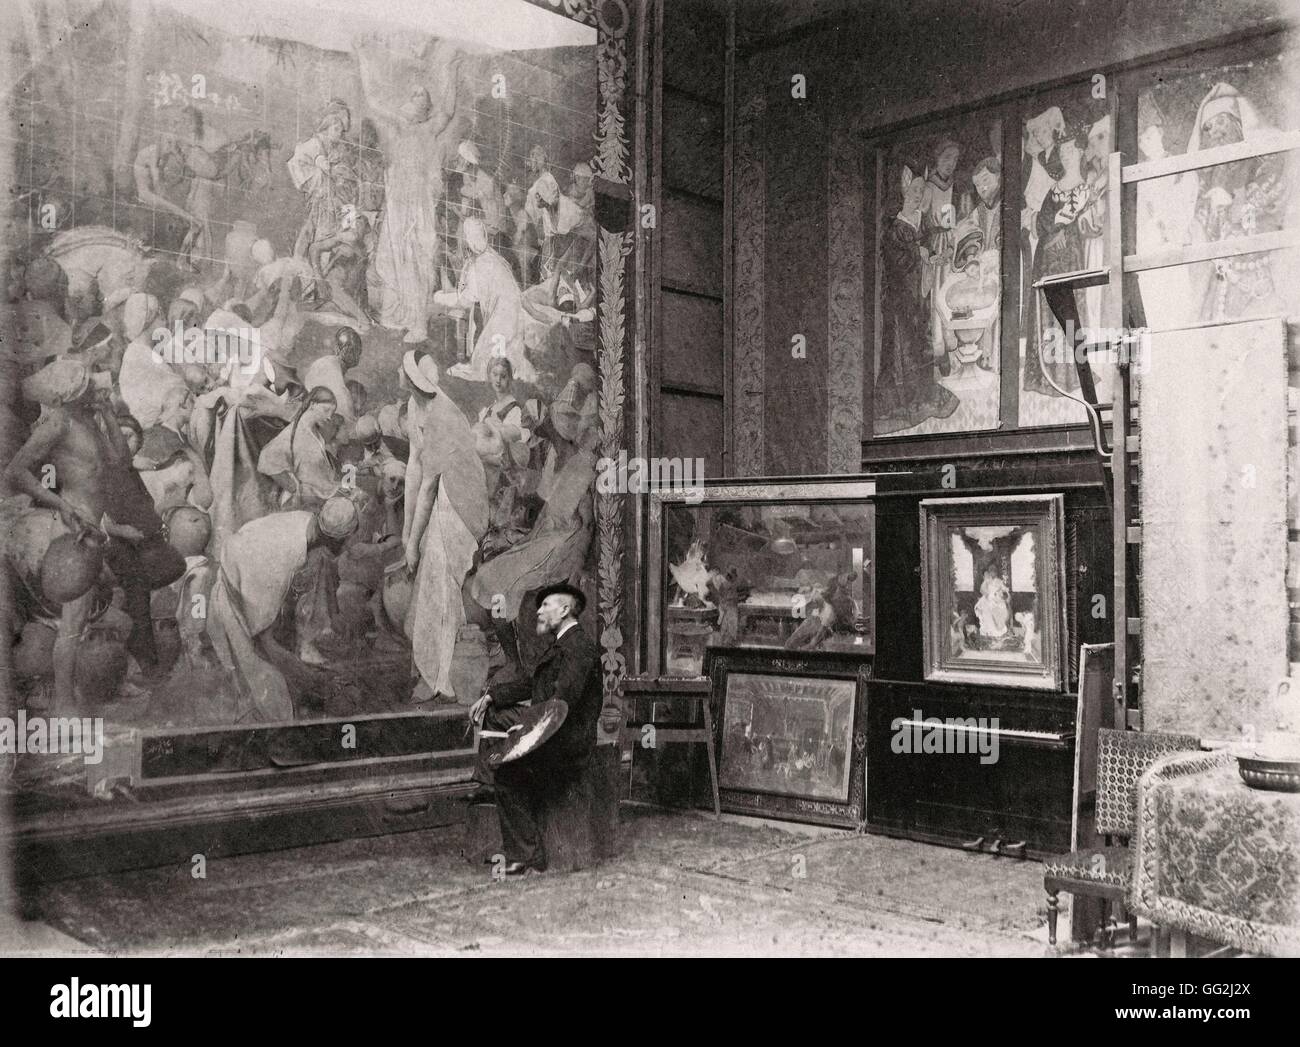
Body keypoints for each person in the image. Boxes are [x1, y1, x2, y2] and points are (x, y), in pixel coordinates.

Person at [468, 581, 602, 875]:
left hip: (565, 741)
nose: (538, 611)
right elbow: (534, 684)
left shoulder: (578, 648)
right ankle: (485, 781)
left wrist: (524, 731)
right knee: (495, 712)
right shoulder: (562, 644)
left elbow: (561, 703)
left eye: (546, 605)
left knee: (509, 773)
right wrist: (491, 695)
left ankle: (527, 855)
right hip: (550, 727)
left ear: (565, 610)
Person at [206, 495, 359, 721]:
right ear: (334, 540)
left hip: (246, 577)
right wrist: (308, 677)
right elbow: (263, 637)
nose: (346, 547)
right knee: (269, 694)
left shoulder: (307, 523)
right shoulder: (283, 558)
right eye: (345, 541)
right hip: (235, 595)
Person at [400, 351, 489, 702]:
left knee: (439, 581)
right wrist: (409, 534)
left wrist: (412, 543)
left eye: (403, 370)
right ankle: (433, 669)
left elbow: (427, 485)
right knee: (430, 578)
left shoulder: (442, 415)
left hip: (463, 503)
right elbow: (413, 466)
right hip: (441, 497)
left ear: (411, 379)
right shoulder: (414, 405)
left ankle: (438, 677)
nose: (399, 372)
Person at [438, 218, 536, 383]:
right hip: (509, 313)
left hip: (504, 316)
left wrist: (444, 299)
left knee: (483, 363)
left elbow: (468, 299)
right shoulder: (488, 256)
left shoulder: (482, 264)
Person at [257, 386, 342, 508]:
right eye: (326, 410)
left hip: (323, 495)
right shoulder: (296, 432)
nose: (329, 417)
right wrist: (294, 488)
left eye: (332, 413)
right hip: (304, 503)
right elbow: (265, 458)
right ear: (313, 404)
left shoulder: (315, 432)